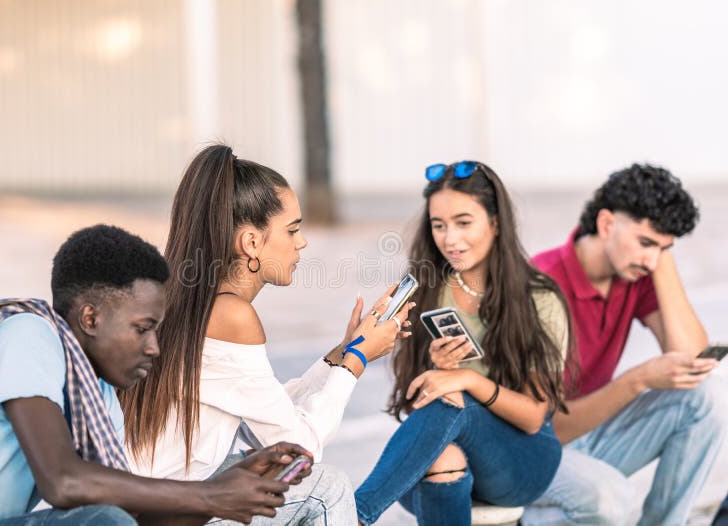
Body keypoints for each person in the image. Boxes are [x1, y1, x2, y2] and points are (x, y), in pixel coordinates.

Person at [0, 224, 312, 525]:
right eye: (142, 328)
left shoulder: (98, 398)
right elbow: (62, 481)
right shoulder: (29, 335)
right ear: (91, 318)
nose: (153, 347)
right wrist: (209, 497)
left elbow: (135, 520)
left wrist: (228, 489)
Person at [119, 145, 412, 524]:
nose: (301, 241)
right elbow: (299, 449)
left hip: (159, 505)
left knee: (258, 466)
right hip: (168, 514)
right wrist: (355, 361)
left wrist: (345, 350)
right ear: (252, 242)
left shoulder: (190, 300)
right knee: (326, 487)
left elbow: (269, 414)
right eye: (292, 230)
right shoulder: (230, 315)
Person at [353, 160, 572, 525]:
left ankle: (353, 515)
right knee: (442, 456)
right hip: (441, 453)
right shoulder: (428, 290)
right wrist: (441, 371)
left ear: (496, 222)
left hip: (522, 459)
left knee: (452, 402)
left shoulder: (539, 298)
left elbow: (535, 416)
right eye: (439, 225)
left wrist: (467, 379)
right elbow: (416, 413)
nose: (450, 239)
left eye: (463, 223)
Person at [523, 164, 727, 526]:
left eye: (664, 248)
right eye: (645, 242)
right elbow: (543, 427)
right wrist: (639, 379)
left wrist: (659, 259)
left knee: (705, 399)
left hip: (588, 439)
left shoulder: (636, 273)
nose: (651, 259)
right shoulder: (542, 282)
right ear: (606, 225)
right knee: (608, 497)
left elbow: (692, 361)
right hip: (530, 454)